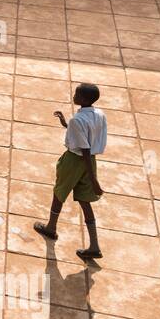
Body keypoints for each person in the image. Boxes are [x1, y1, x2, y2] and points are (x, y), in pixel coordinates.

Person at [34, 84, 108, 260]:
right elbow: (87, 136)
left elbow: (83, 147)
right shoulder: (99, 115)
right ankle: (94, 245)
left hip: (74, 161)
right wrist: (66, 124)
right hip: (91, 161)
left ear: (83, 99)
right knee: (84, 200)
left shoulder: (78, 120)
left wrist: (94, 180)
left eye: (76, 94)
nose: (74, 96)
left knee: (59, 192)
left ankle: (51, 227)